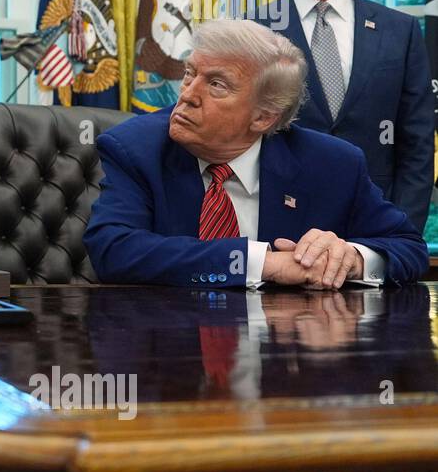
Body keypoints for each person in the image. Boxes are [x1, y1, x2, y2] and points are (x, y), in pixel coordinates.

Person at [84, 19, 427, 289]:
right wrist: (264, 263)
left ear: (264, 117)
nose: (187, 94)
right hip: (169, 354)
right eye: (190, 73)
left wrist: (351, 258)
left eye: (216, 84)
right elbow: (114, 250)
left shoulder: (333, 163)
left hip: (289, 360)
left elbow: (408, 247)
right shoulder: (135, 148)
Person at [254, 0, 433, 232]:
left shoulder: (400, 30)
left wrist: (403, 229)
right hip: (280, 228)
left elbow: (417, 142)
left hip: (376, 223)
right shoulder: (254, 29)